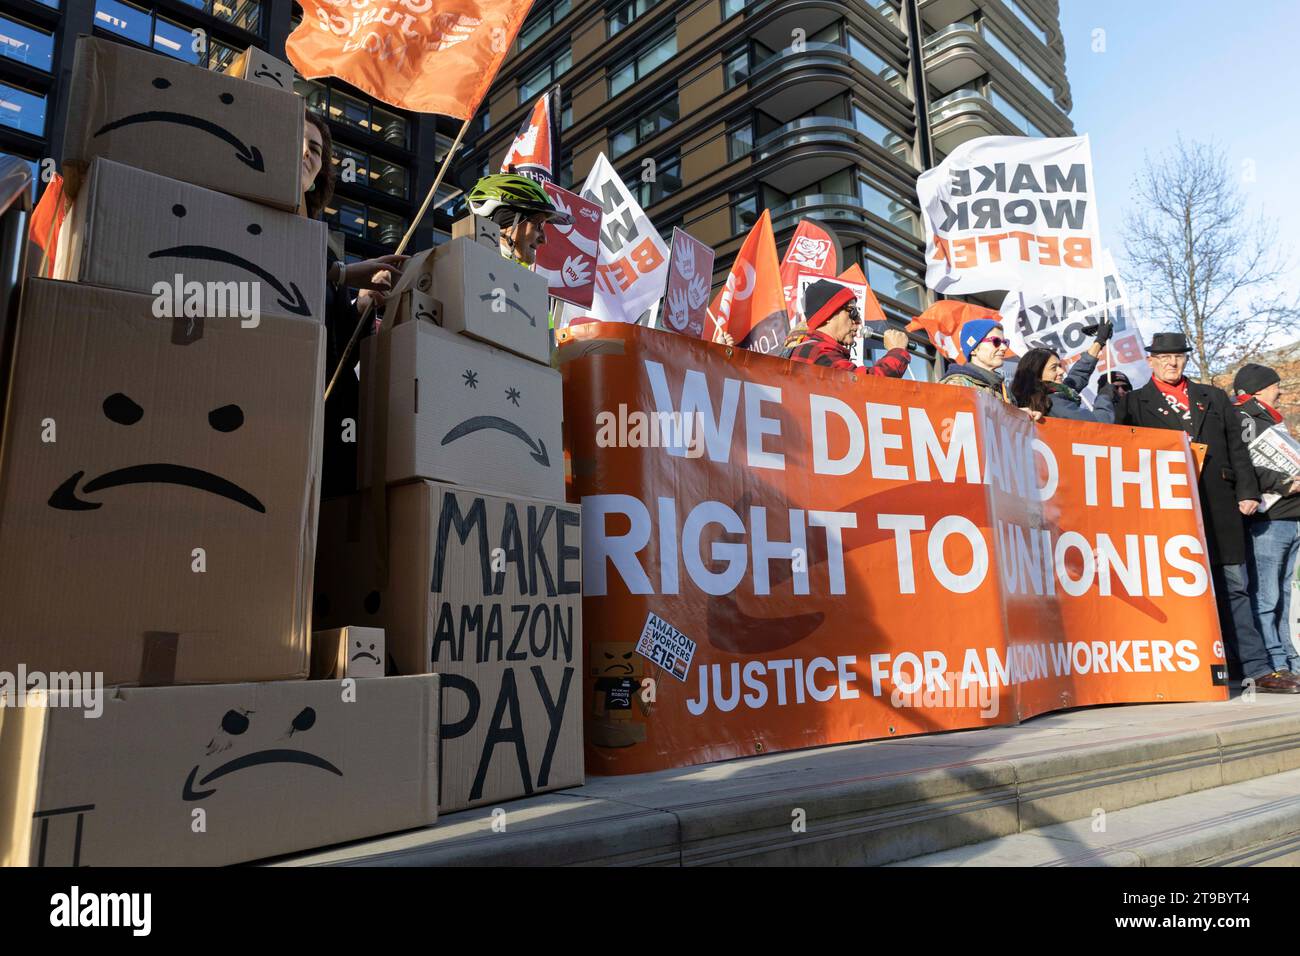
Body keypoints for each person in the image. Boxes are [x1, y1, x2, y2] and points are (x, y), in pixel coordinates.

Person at [1115, 333, 1295, 692]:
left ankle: (1256, 668)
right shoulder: (1134, 402)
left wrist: (1247, 491)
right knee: (1178, 589)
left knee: (1234, 585)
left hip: (1219, 503)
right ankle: (1189, 668)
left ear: (1186, 360)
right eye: (1164, 357)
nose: (1172, 363)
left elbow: (1237, 449)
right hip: (1166, 509)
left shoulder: (1211, 397)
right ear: (1150, 361)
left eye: (1178, 357)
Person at [303, 112, 407, 498]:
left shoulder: (320, 238)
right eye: (298, 142)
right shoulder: (254, 211)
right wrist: (344, 274)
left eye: (316, 148)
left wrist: (361, 304)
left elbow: (337, 341)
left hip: (328, 430)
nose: (306, 153)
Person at [1233, 363, 1300, 677]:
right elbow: (1244, 466)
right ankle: (1274, 662)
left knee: (1286, 596)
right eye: (1275, 385)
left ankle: (1290, 659)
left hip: (1292, 516)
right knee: (1267, 595)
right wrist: (1286, 482)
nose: (1280, 391)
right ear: (1258, 389)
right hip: (1269, 520)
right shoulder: (1245, 419)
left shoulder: (1276, 423)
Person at [780, 278, 910, 377]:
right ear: (828, 315)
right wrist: (896, 352)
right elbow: (866, 387)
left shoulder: (812, 349)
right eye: (852, 312)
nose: (858, 321)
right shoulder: (818, 351)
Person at [1008, 320, 1115, 422]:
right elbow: (1100, 423)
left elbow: (1076, 377)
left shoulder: (1039, 397)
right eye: (1054, 368)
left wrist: (1099, 341)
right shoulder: (1053, 403)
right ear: (1037, 375)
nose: (1062, 371)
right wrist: (1104, 397)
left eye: (1060, 366)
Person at [464, 172, 573, 268]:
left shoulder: (524, 280)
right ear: (502, 223)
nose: (544, 240)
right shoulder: (466, 266)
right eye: (539, 226)